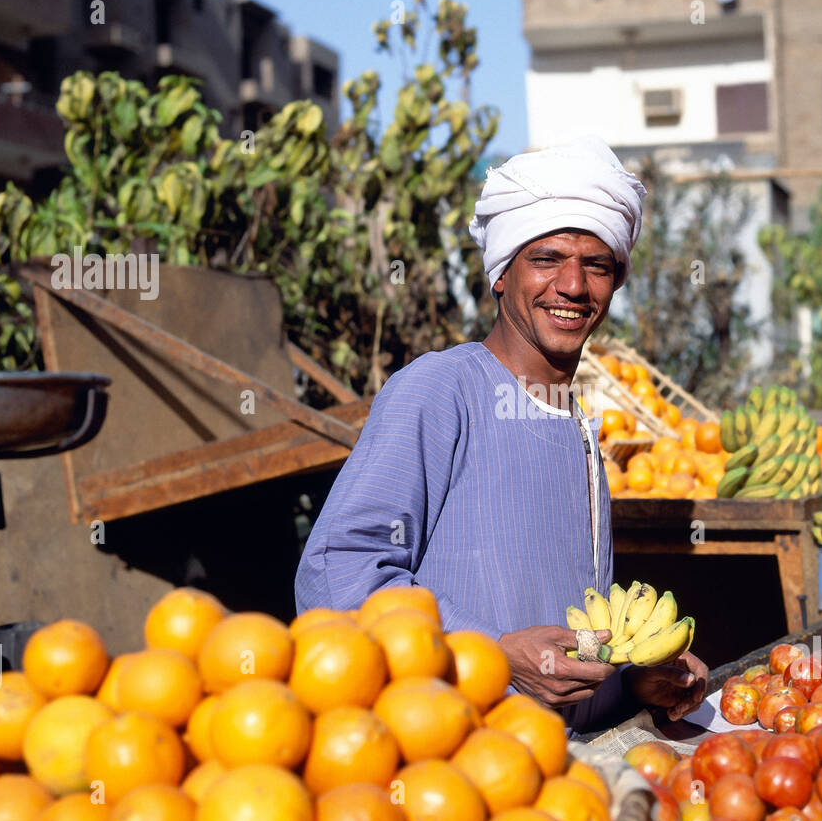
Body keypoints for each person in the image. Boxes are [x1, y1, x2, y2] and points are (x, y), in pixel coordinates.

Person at [294, 134, 707, 734]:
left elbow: (559, 645)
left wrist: (632, 676)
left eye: (596, 265)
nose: (572, 285)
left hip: (556, 773)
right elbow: (338, 573)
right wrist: (489, 651)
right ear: (501, 275)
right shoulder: (440, 391)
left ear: (614, 284)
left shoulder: (578, 429)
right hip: (459, 767)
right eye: (545, 260)